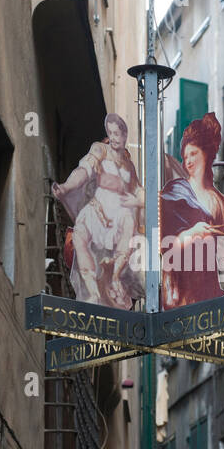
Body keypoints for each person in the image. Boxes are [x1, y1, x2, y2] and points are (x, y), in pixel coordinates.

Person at [51, 114, 145, 309]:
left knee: (128, 223)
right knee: (79, 236)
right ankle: (93, 293)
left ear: (125, 135)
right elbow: (83, 171)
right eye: (110, 133)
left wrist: (137, 199)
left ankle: (116, 277)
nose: (113, 138)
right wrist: (67, 187)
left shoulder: (129, 167)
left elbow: (141, 193)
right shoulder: (100, 150)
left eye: (117, 134)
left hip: (119, 214)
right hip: (97, 208)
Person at [159, 113, 224, 308]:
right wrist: (190, 233)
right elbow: (164, 244)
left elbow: (222, 245)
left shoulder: (220, 200)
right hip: (183, 282)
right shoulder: (175, 192)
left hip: (209, 283)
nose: (188, 160)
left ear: (206, 154)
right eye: (186, 155)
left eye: (193, 154)